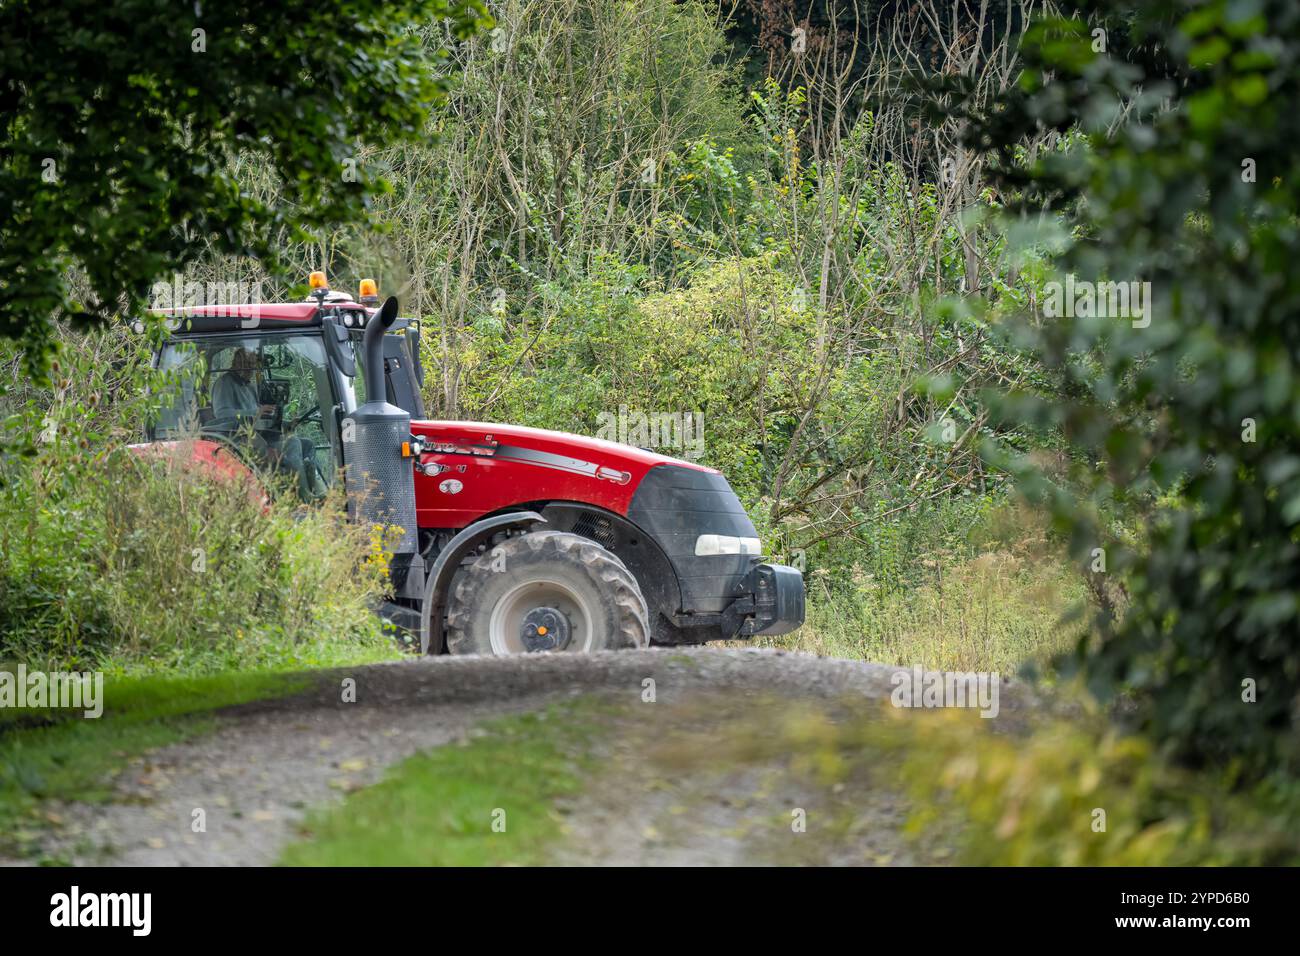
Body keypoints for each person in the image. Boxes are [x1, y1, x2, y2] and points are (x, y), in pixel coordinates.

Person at [212, 347, 325, 500]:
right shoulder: (224, 383)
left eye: (255, 365)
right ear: (241, 364)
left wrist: (286, 424)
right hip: (241, 443)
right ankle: (304, 497)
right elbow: (222, 414)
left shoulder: (249, 386)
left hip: (259, 437)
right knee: (292, 443)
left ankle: (316, 490)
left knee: (307, 444)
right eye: (251, 365)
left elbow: (261, 418)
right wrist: (255, 412)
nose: (253, 370)